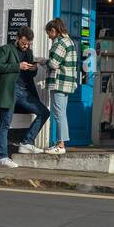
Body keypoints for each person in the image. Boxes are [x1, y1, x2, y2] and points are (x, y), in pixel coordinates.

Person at [0, 25, 50, 168]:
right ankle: (2, 157)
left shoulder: (29, 53)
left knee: (44, 112)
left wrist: (33, 69)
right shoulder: (5, 49)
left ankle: (26, 142)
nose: (26, 46)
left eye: (28, 43)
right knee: (5, 123)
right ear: (17, 39)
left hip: (24, 92)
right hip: (10, 91)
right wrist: (17, 66)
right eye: (24, 43)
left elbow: (29, 74)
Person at [44, 18, 80, 155]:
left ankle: (60, 145)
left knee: (58, 114)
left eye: (49, 33)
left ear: (54, 30)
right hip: (68, 82)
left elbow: (53, 63)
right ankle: (60, 143)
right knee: (62, 113)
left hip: (59, 82)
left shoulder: (59, 43)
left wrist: (42, 61)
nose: (49, 36)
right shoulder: (70, 41)